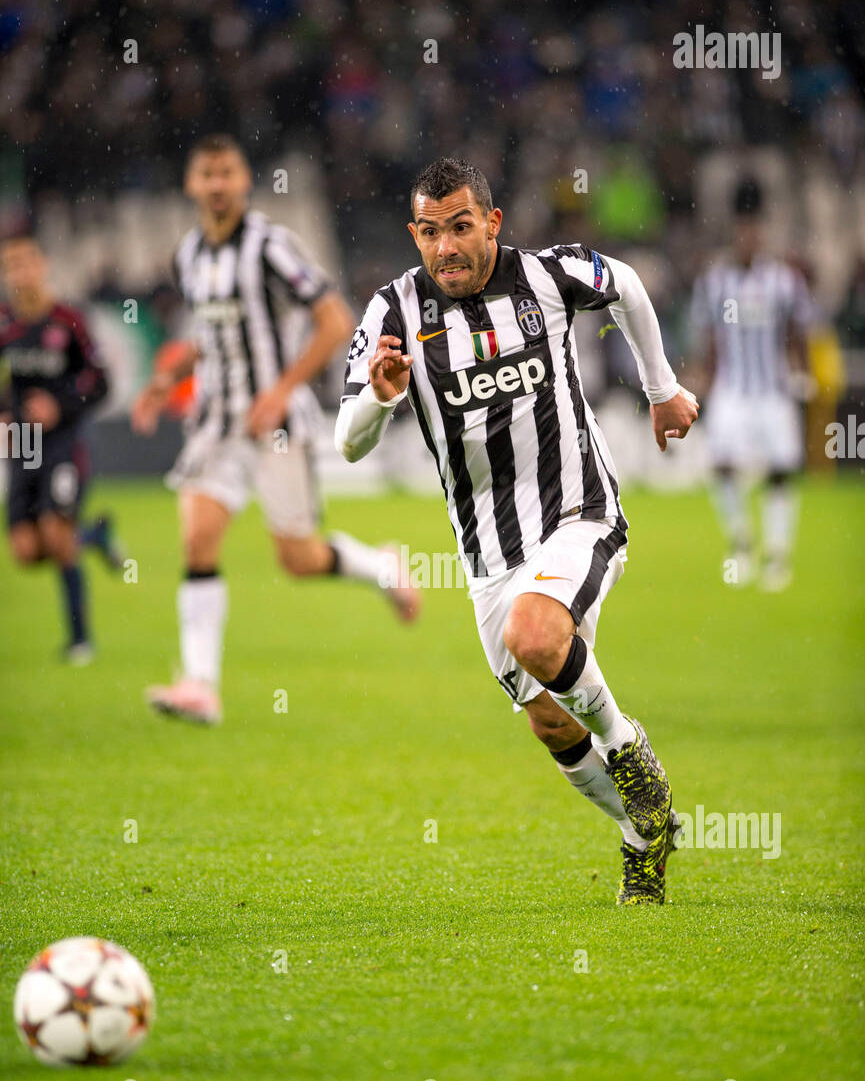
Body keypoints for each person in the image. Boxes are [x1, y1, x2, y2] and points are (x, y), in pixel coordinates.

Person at [336, 157, 699, 905]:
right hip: (487, 557)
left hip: (579, 512)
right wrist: (377, 397)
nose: (447, 248)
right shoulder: (392, 313)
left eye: (461, 226)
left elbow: (625, 284)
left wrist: (661, 391)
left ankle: (631, 753)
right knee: (548, 723)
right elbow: (347, 443)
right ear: (414, 234)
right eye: (430, 233)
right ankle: (644, 830)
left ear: (491, 223)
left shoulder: (548, 276)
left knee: (537, 637)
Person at [132, 134, 420, 725]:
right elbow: (206, 337)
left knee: (298, 558)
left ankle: (382, 568)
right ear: (192, 185)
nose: (217, 184)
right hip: (216, 424)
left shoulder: (270, 246)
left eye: (227, 173)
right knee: (197, 539)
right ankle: (200, 685)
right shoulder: (187, 254)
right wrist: (168, 379)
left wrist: (281, 390)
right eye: (206, 174)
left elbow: (334, 318)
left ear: (243, 182)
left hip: (279, 424)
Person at [689, 179, 814, 590]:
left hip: (773, 390)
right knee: (722, 465)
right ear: (735, 237)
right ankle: (741, 543)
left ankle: (777, 554)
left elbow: (799, 329)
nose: (748, 239)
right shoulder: (716, 282)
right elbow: (709, 336)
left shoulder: (782, 280)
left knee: (780, 471)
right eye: (742, 233)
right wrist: (703, 382)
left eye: (754, 232)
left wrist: (803, 373)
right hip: (733, 390)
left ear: (761, 237)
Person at [0, 235, 117, 663]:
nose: (19, 273)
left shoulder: (69, 320)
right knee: (26, 552)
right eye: (10, 265)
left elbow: (101, 383)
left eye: (26, 263)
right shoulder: (5, 323)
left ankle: (80, 641)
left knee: (55, 532)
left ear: (42, 266)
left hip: (64, 444)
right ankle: (95, 536)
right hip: (22, 445)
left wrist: (60, 405)